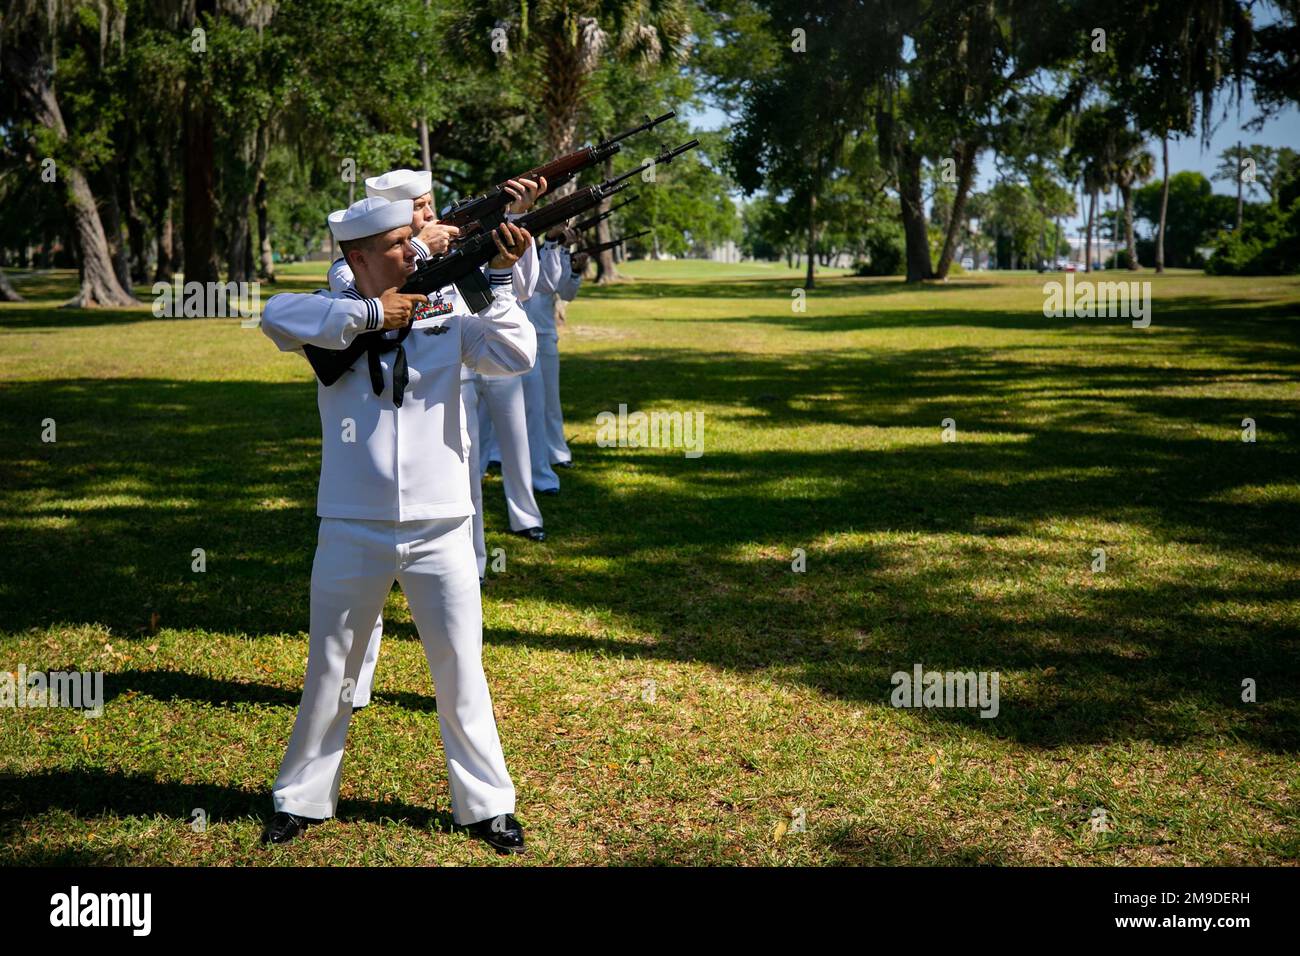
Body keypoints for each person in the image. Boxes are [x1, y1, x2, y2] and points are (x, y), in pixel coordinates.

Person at [258, 194, 536, 853]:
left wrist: (498, 282)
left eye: (412, 238)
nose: (412, 248)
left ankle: (486, 804)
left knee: (460, 667)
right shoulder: (335, 317)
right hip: (351, 523)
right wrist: (372, 314)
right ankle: (300, 798)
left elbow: (515, 355)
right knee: (332, 671)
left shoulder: (446, 312)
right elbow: (272, 315)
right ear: (356, 257)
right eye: (394, 244)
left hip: (442, 525)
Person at [328, 169, 544, 711]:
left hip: (452, 397)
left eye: (428, 206)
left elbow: (513, 294)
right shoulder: (354, 266)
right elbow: (350, 297)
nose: (428, 216)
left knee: (457, 524)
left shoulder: (447, 255)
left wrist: (513, 226)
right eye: (415, 211)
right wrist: (421, 251)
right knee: (361, 581)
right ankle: (357, 681)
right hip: (373, 450)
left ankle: (460, 675)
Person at [522, 228, 584, 494]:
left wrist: (576, 270)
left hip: (544, 335)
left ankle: (557, 451)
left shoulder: (551, 254)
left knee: (549, 400)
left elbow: (565, 292)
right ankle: (495, 454)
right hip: (513, 339)